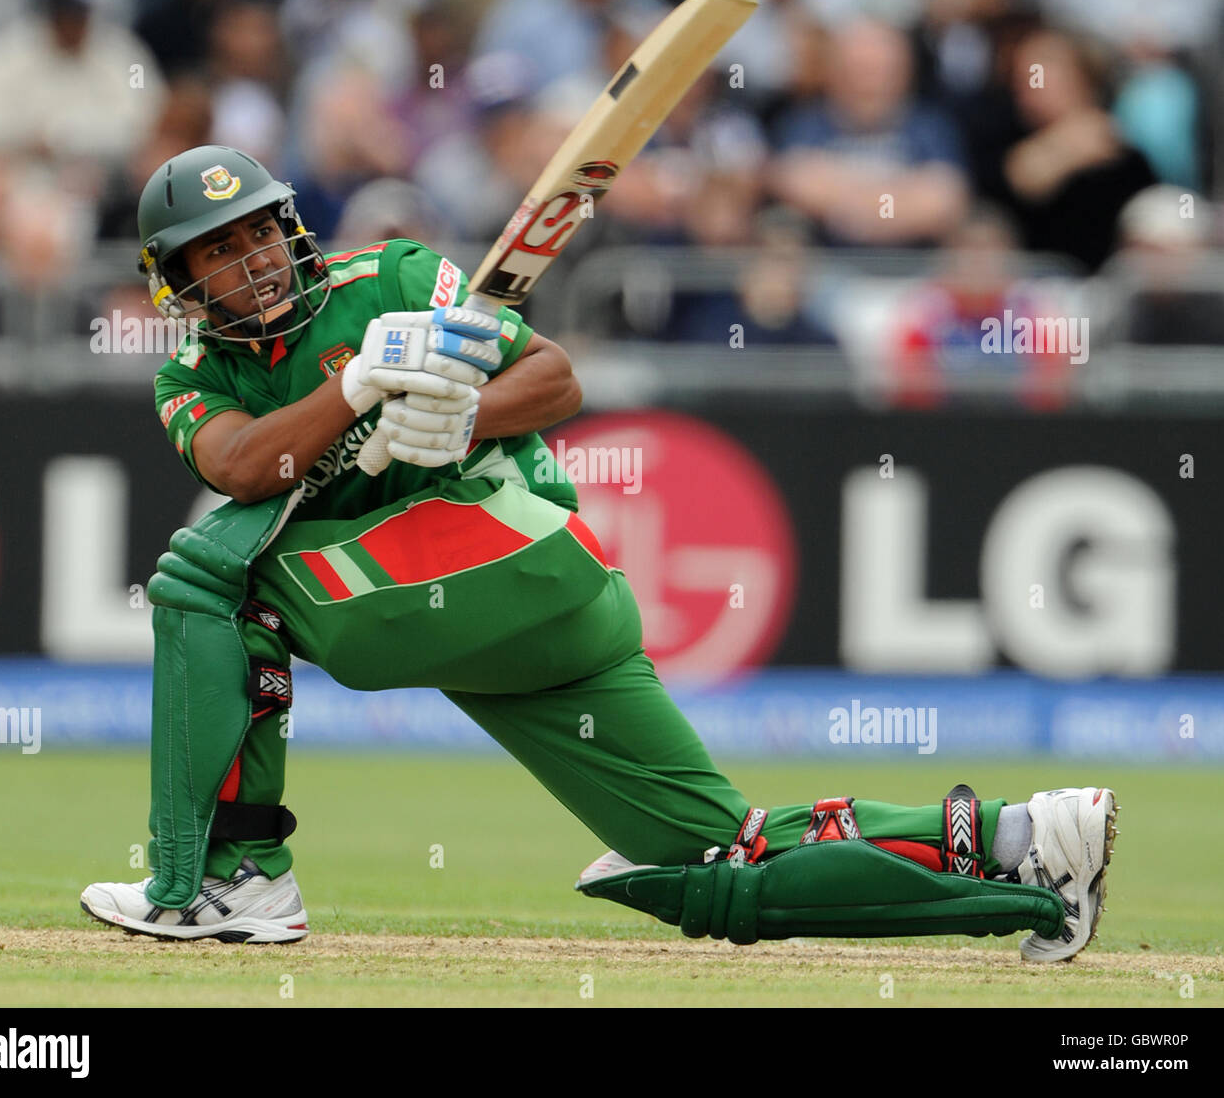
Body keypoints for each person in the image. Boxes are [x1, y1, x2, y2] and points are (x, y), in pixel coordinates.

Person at [80, 145, 1118, 962]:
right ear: (176, 280)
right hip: (498, 625)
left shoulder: (391, 273)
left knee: (213, 579)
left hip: (511, 551)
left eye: (261, 230)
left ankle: (224, 878)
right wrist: (355, 395)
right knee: (716, 862)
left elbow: (557, 382)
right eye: (218, 248)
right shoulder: (190, 379)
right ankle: (1026, 847)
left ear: (293, 227)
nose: (252, 257)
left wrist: (463, 416)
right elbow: (244, 467)